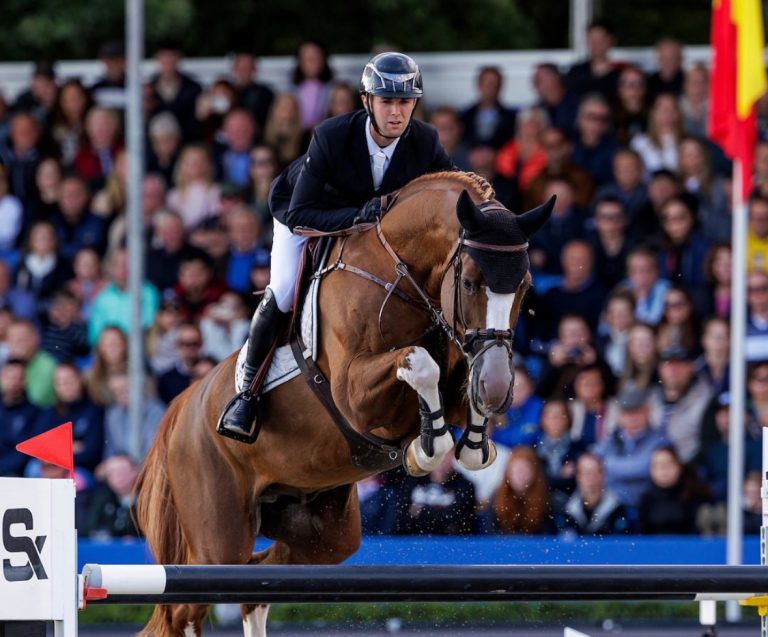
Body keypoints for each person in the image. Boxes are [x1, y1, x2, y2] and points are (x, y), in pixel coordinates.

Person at [217, 52, 454, 441]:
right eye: (387, 101)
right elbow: (301, 214)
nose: (397, 112)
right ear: (367, 102)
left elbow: (452, 189)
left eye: (405, 102)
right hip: (308, 217)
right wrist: (357, 217)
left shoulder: (424, 140)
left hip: (370, 226)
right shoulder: (332, 134)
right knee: (282, 294)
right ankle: (247, 393)